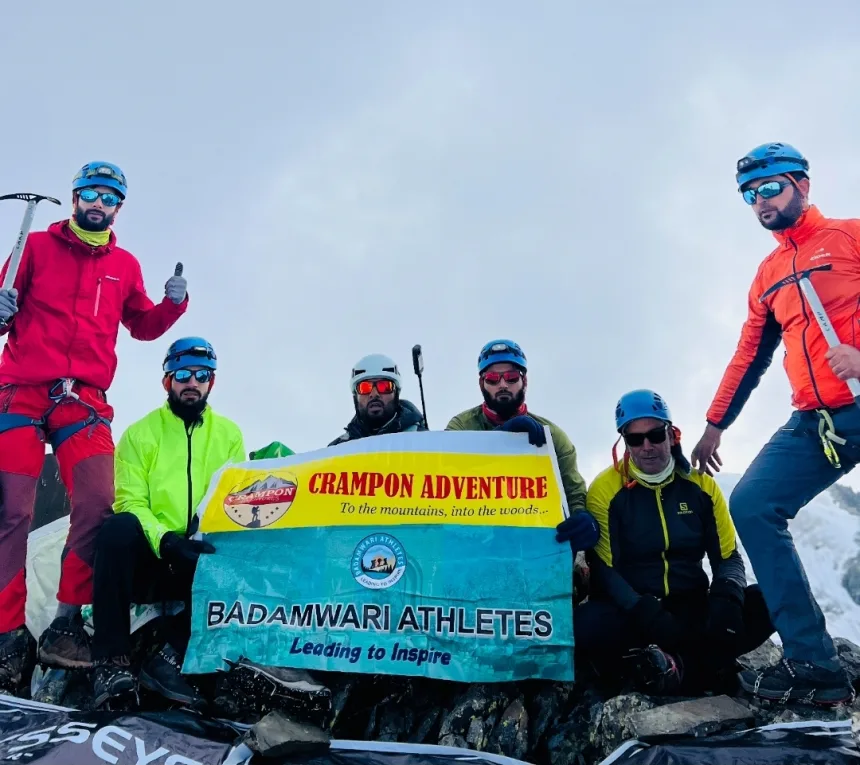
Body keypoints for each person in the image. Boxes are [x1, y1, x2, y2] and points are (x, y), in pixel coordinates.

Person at [0, 161, 189, 691]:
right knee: (12, 509)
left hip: (82, 400)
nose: (99, 203)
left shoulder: (124, 265)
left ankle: (65, 622)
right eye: (92, 193)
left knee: (96, 501)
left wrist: (173, 305)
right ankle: (6, 632)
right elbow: (2, 309)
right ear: (77, 196)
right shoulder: (33, 248)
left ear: (118, 207)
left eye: (110, 197)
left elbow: (143, 325)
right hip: (21, 390)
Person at [691, 142, 860, 705]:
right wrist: (715, 423)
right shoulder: (767, 274)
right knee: (753, 504)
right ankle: (815, 666)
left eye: (770, 188)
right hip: (817, 420)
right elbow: (749, 356)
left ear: (803, 185)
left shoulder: (850, 236)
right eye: (749, 194)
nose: (759, 201)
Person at [578, 389, 774, 695]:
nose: (646, 447)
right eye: (634, 439)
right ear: (624, 443)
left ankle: (670, 667)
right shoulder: (605, 490)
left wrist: (727, 596)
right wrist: (645, 611)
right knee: (587, 623)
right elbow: (603, 567)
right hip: (637, 611)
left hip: (691, 604)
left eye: (656, 435)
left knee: (769, 599)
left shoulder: (701, 487)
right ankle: (705, 667)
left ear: (672, 434)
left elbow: (728, 558)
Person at [89, 337, 245, 708]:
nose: (192, 382)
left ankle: (170, 657)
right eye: (183, 374)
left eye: (201, 374)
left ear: (212, 381)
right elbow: (130, 501)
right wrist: (168, 542)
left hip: (197, 560)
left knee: (241, 554)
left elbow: (234, 496)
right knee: (116, 529)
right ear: (167, 381)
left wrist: (199, 539)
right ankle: (110, 662)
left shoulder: (229, 435)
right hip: (152, 557)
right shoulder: (140, 434)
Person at [445, 339, 599, 552]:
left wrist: (582, 517)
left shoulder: (552, 435)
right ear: (482, 383)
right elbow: (446, 473)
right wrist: (502, 440)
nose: (502, 385)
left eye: (511, 377)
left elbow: (573, 491)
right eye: (492, 378)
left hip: (532, 545)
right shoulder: (461, 426)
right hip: (473, 543)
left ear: (524, 381)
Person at [328, 353, 427, 446]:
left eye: (384, 386)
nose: (374, 394)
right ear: (355, 396)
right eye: (365, 388)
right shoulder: (339, 449)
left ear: (396, 393)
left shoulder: (422, 440)